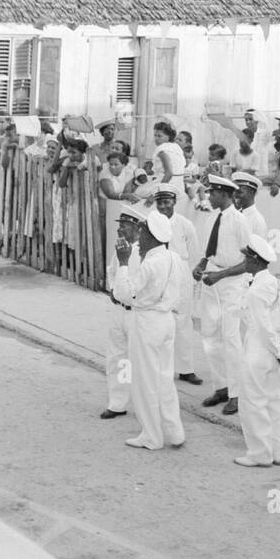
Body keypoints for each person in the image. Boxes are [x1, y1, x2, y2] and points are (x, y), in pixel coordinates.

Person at [204, 234, 280, 467]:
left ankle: (259, 454)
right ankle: (277, 451)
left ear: (254, 260)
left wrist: (278, 351)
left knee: (252, 403)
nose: (244, 262)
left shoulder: (256, 291)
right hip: (275, 351)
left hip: (259, 349)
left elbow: (264, 327)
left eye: (246, 258)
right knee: (273, 401)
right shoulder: (278, 285)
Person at [115, 209, 185, 451]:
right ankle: (175, 432)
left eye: (143, 231)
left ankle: (151, 436)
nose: (140, 235)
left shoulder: (150, 264)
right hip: (166, 320)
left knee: (145, 381)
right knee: (164, 378)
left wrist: (123, 264)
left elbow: (124, 293)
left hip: (147, 321)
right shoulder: (173, 258)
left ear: (152, 236)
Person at [192, 174, 252, 415]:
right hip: (211, 280)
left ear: (225, 194)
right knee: (210, 336)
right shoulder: (211, 218)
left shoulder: (239, 221)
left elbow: (250, 261)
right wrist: (200, 265)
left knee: (231, 338)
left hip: (232, 284)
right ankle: (221, 387)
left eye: (213, 193)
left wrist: (222, 275)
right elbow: (209, 251)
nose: (209, 196)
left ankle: (237, 394)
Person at [153, 186, 203, 385]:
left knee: (183, 321)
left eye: (167, 202)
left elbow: (194, 254)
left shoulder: (185, 224)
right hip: (159, 270)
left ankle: (185, 369)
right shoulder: (150, 223)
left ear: (174, 202)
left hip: (181, 272)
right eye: (160, 202)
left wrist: (192, 281)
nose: (163, 206)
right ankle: (159, 368)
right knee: (158, 320)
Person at [100, 204, 144, 420]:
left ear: (137, 228)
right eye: (120, 226)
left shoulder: (143, 252)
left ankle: (144, 405)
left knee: (138, 359)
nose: (120, 230)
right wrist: (112, 289)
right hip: (117, 310)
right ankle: (118, 403)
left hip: (135, 312)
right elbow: (111, 271)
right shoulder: (120, 247)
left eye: (125, 226)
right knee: (118, 358)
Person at [150, 119, 186, 203]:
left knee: (139, 191)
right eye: (155, 135)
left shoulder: (162, 150)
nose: (156, 138)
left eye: (159, 136)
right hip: (179, 185)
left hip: (168, 185)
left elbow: (169, 173)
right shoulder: (176, 147)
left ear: (168, 137)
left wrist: (155, 194)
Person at [231, 170, 267, 244]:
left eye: (239, 192)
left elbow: (257, 251)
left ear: (252, 192)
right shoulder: (235, 215)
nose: (235, 195)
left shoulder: (257, 221)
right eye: (234, 191)